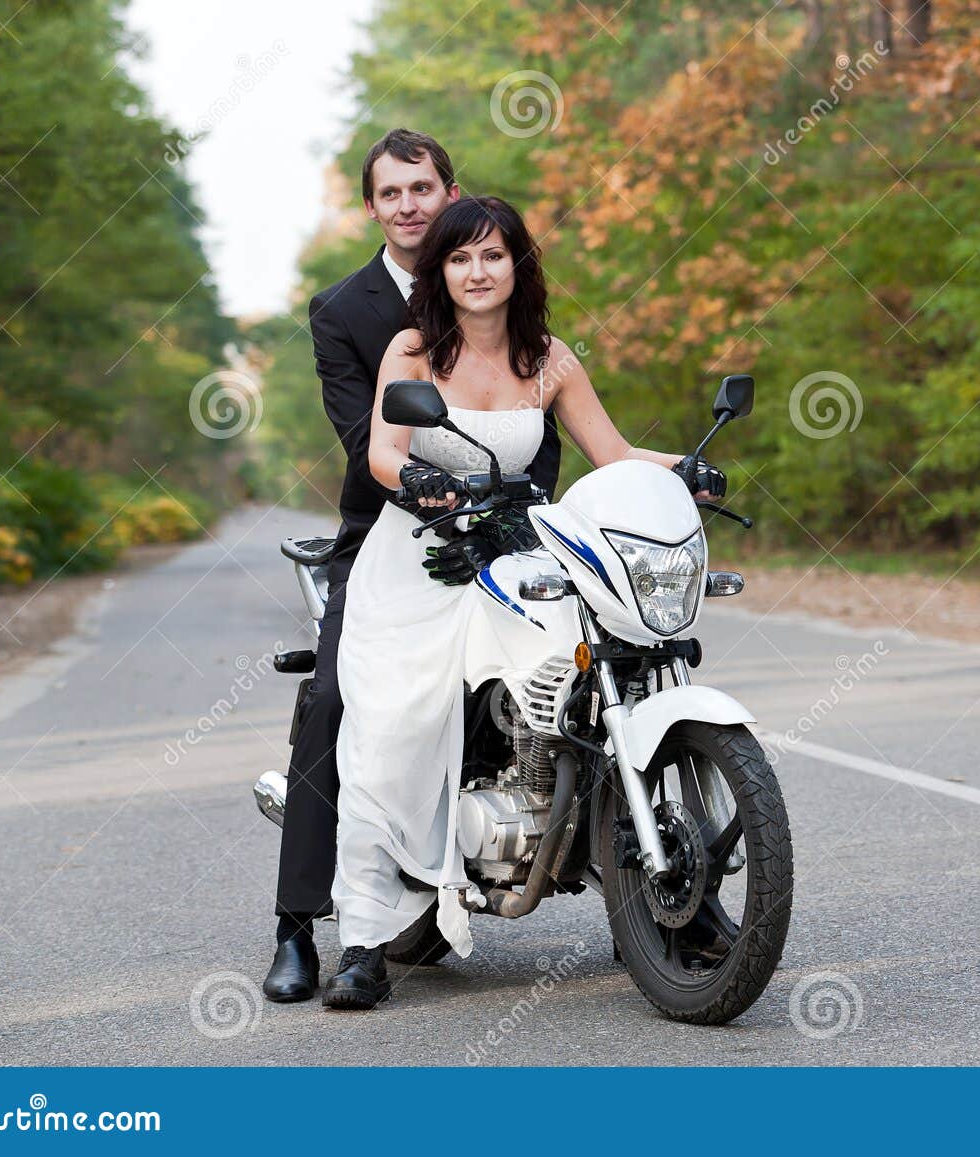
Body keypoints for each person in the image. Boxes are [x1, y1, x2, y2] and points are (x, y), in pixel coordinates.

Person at [321, 195, 724, 1009]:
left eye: (493, 256)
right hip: (421, 560)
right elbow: (383, 454)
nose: (477, 272)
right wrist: (424, 478)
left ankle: (624, 868)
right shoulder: (412, 350)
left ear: (517, 266)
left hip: (518, 547)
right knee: (393, 727)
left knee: (597, 665)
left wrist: (686, 466)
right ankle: (364, 939)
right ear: (440, 271)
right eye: (460, 258)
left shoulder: (550, 359)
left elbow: (611, 455)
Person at [263, 131, 562, 1003]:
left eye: (423, 187)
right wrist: (437, 489)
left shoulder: (506, 301)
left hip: (508, 531)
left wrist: (527, 507)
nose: (410, 206)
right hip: (391, 531)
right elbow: (371, 446)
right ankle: (300, 923)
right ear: (372, 207)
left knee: (601, 655)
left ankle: (655, 880)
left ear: (448, 190)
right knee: (334, 697)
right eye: (390, 193)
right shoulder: (345, 311)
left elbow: (555, 428)